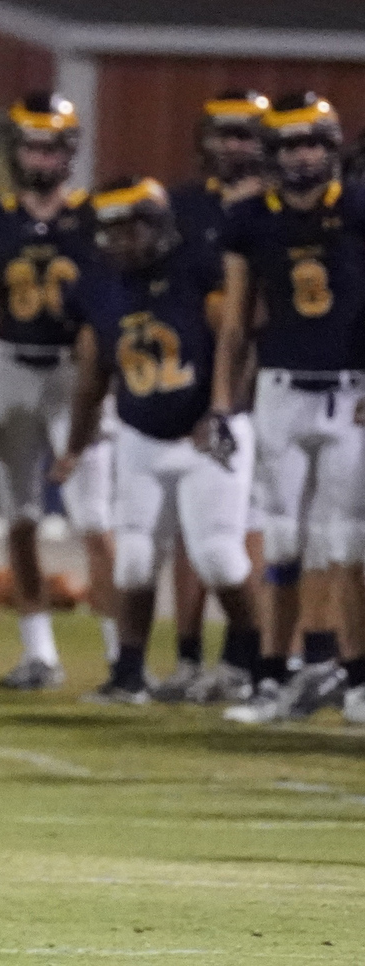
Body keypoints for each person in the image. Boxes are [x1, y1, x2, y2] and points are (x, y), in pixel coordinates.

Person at [52, 178, 262, 703]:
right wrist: (76, 446)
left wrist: (224, 410)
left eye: (134, 227)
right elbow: (91, 377)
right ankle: (128, 673)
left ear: (160, 223)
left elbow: (238, 343)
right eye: (113, 230)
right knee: (134, 559)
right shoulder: (99, 286)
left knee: (216, 553)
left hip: (206, 431)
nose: (123, 241)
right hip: (140, 435)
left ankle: (253, 658)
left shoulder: (197, 269)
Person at [212, 92, 365, 725]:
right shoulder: (251, 218)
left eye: (314, 143)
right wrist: (224, 400)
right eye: (292, 144)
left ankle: (356, 679)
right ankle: (271, 679)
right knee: (281, 541)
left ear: (332, 148)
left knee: (347, 543)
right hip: (278, 389)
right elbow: (237, 318)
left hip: (351, 390)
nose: (304, 156)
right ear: (274, 153)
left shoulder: (358, 208)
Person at [0, 92, 117, 690]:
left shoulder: (91, 218)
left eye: (51, 146)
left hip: (75, 374)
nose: (41, 158)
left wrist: (101, 385)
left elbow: (106, 312)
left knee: (93, 520)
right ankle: (39, 654)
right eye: (31, 145)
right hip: (11, 367)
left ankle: (119, 658)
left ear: (69, 151)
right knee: (20, 517)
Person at [155, 90, 272, 703]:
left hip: (260, 383)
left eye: (246, 134)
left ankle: (247, 656)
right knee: (188, 524)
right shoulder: (179, 208)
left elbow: (258, 318)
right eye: (224, 134)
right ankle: (188, 656)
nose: (234, 146)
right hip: (186, 377)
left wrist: (233, 394)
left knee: (247, 525)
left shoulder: (277, 209)